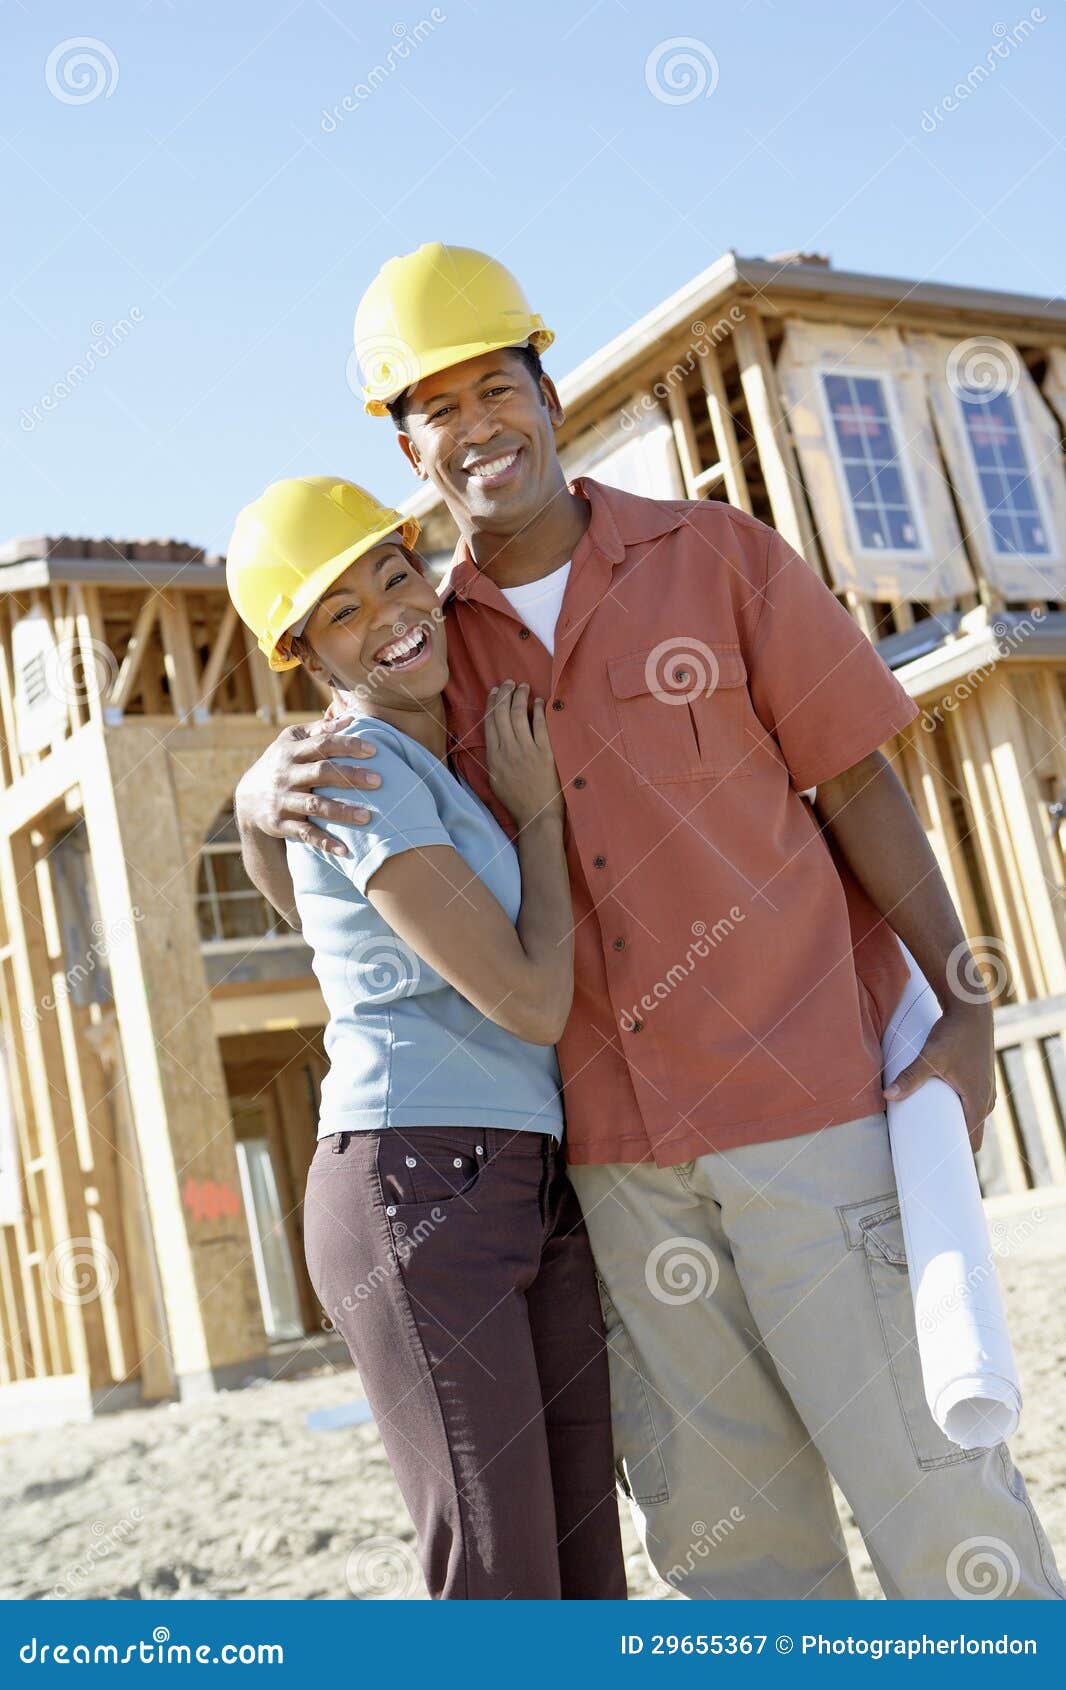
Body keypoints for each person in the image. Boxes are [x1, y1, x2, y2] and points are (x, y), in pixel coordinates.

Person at [233, 247, 1063, 1600]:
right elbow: (359, 892)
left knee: (941, 1511)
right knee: (737, 1568)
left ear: (547, 393)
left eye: (495, 388)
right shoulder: (426, 652)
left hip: (811, 1121)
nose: (475, 428)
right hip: (614, 1181)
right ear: (406, 447)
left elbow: (854, 779)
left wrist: (963, 1002)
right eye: (436, 408)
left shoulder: (715, 558)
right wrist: (255, 807)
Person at [225, 475, 626, 1602]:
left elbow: (314, 913)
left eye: (395, 576)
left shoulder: (424, 762)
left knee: (585, 1567)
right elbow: (531, 1005)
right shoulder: (356, 768)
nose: (389, 614)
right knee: (498, 1579)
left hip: (521, 1177)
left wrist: (254, 816)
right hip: (419, 1183)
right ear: (304, 653)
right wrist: (539, 814)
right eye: (342, 610)